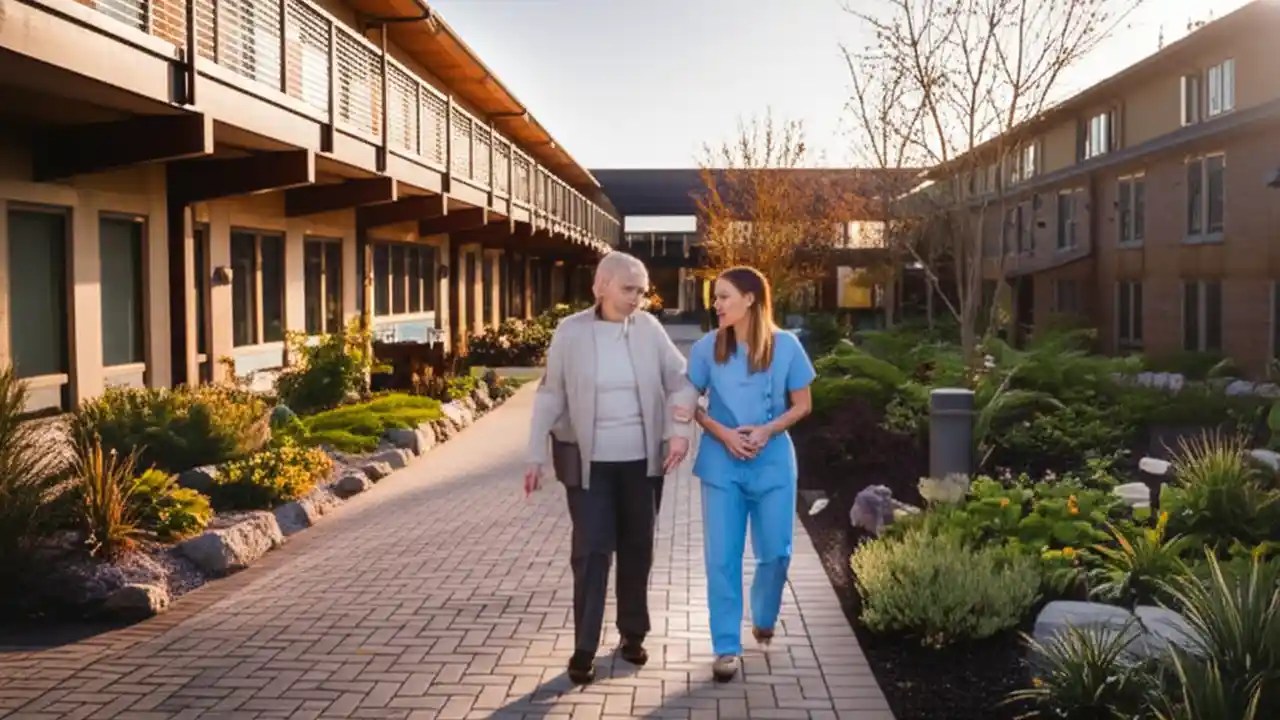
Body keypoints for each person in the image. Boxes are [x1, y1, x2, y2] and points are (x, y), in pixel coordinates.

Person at [524, 251, 697, 685]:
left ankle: (632, 635)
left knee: (638, 548)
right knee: (592, 550)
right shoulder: (571, 332)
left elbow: (681, 380)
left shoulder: (649, 329)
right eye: (628, 288)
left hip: (641, 463)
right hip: (589, 465)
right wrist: (534, 454)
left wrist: (679, 430)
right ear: (601, 285)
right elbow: (550, 394)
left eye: (642, 290)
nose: (637, 298)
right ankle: (584, 646)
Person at [685, 266, 816, 682]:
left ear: (750, 299)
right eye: (715, 297)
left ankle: (763, 615)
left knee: (776, 553)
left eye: (724, 296)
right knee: (722, 558)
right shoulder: (707, 347)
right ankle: (726, 646)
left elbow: (802, 404)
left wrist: (766, 429)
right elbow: (692, 403)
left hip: (773, 462)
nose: (716, 304)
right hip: (722, 465)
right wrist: (723, 433)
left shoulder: (787, 346)